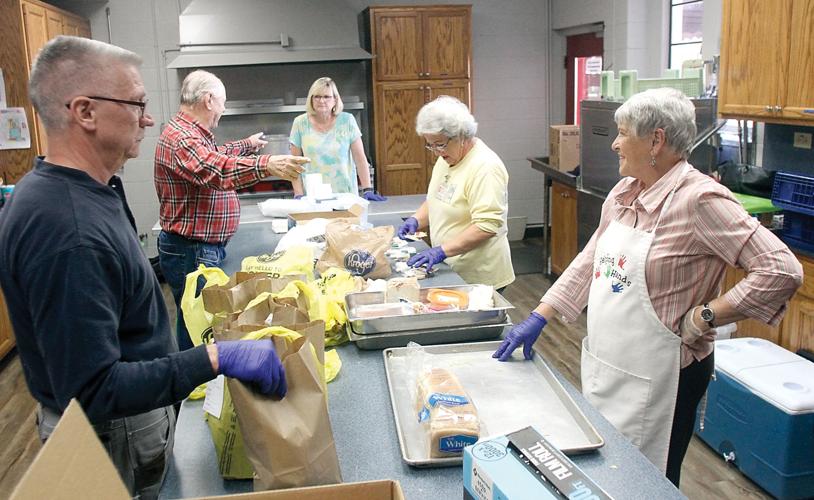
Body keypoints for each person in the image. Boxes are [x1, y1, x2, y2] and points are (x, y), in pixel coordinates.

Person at [0, 36, 287, 499]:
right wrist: (216, 357)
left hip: (126, 427)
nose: (148, 118)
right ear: (85, 112)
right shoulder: (68, 230)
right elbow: (93, 389)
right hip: (113, 439)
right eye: (136, 104)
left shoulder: (86, 191)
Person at [493, 88, 802, 486]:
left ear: (656, 140)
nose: (616, 143)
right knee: (606, 472)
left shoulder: (700, 200)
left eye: (623, 133)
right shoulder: (624, 193)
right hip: (609, 365)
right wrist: (539, 315)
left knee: (646, 483)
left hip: (664, 376)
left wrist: (705, 316)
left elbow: (780, 269)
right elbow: (591, 260)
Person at [155, 69, 309, 351]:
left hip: (198, 248)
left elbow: (216, 156)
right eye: (223, 103)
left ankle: (197, 380)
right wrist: (266, 164)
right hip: (192, 251)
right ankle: (196, 387)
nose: (223, 110)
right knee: (199, 324)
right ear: (209, 99)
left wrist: (247, 145)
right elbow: (214, 169)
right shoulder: (183, 138)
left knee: (197, 319)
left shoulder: (191, 133)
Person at [396, 95, 515, 291]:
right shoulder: (447, 158)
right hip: (452, 268)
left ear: (462, 135)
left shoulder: (485, 167)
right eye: (430, 144)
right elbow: (437, 199)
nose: (435, 151)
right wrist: (416, 220)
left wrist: (441, 252)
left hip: (478, 277)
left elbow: (487, 225)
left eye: (440, 144)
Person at [289, 77, 385, 201]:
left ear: (335, 99)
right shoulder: (300, 123)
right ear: (311, 100)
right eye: (317, 96)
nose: (321, 101)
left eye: (326, 97)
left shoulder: (347, 121)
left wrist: (367, 189)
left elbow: (360, 159)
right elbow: (294, 163)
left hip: (346, 196)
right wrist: (298, 194)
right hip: (312, 197)